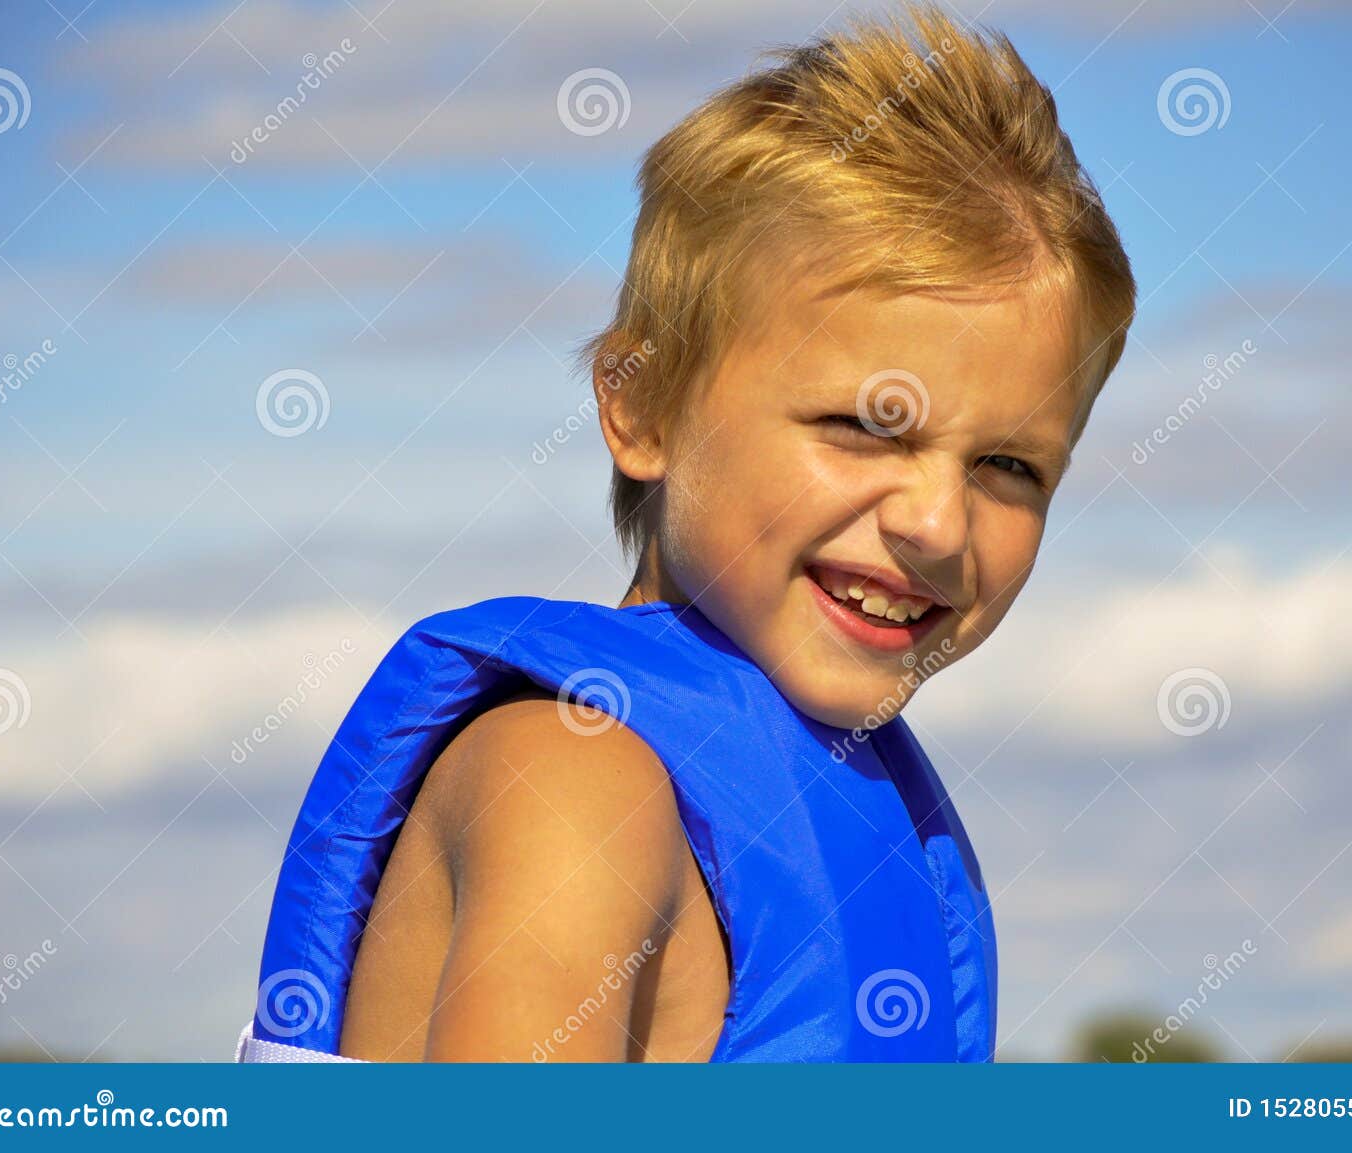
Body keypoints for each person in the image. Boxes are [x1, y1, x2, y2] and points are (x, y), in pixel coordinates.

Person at [236, 1, 1135, 1064]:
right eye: (860, 426)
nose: (938, 523)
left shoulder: (869, 811)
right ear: (643, 406)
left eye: (1008, 466)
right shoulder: (578, 783)